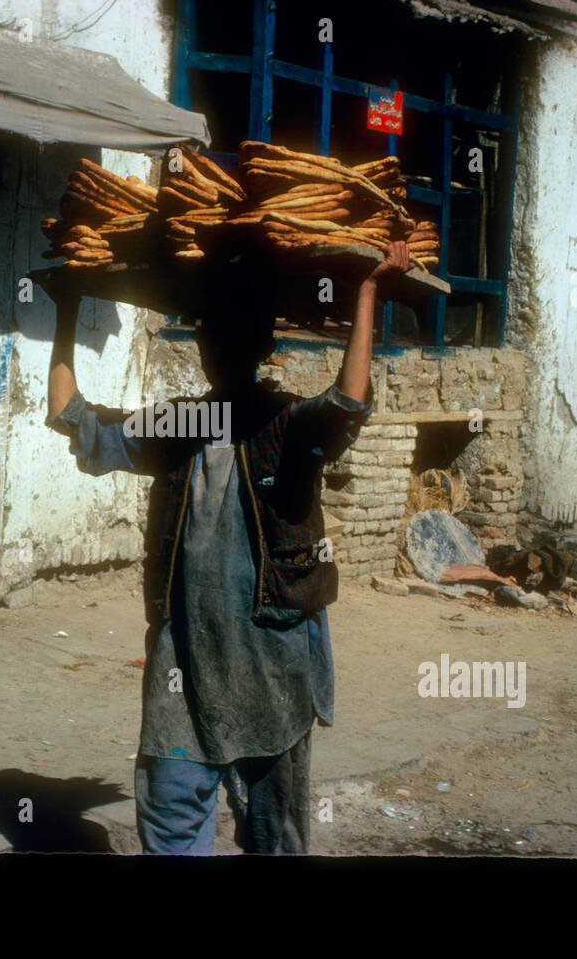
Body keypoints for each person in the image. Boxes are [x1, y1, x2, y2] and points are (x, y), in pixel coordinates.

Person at [45, 242, 411, 853]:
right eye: (212, 335)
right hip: (183, 671)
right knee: (170, 819)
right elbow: (73, 417)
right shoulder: (179, 427)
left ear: (264, 348)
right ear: (202, 347)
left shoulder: (290, 425)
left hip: (273, 666)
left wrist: (368, 292)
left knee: (276, 835)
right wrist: (65, 310)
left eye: (236, 336)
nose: (221, 350)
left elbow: (347, 404)